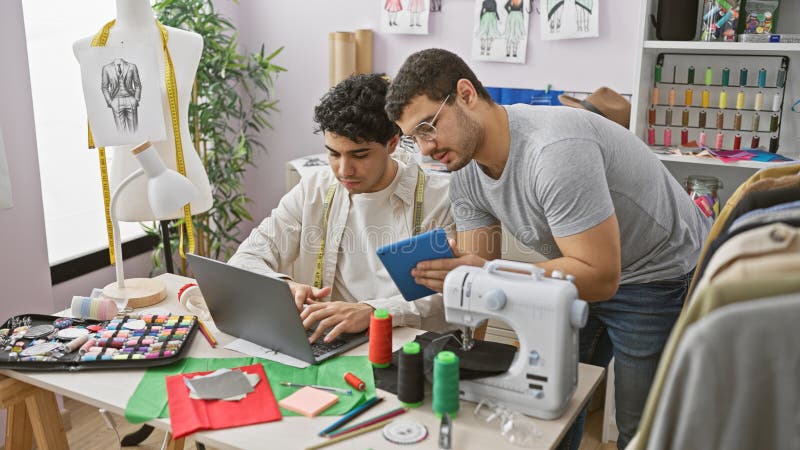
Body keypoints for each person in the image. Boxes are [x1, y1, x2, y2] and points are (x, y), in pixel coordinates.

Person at [385, 48, 710, 450]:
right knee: (545, 404)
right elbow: (480, 271)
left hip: (656, 271)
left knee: (638, 426)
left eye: (429, 127)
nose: (426, 149)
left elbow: (603, 279)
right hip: (581, 265)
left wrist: (484, 274)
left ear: (466, 94)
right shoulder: (464, 170)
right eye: (415, 138)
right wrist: (467, 339)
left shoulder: (553, 151)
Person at [229, 73, 454, 344]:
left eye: (360, 155)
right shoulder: (314, 189)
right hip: (332, 340)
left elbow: (448, 295)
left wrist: (373, 312)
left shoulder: (437, 199)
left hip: (406, 345)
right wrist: (284, 286)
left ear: (392, 142)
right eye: (334, 154)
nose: (344, 170)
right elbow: (246, 258)